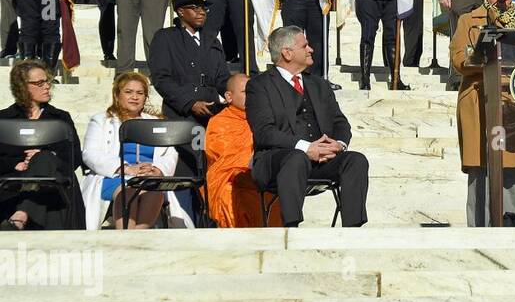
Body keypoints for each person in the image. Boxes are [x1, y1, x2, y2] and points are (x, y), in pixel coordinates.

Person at [246, 24, 369, 228]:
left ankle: (352, 230)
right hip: (276, 161)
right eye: (305, 46)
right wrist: (306, 148)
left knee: (355, 160)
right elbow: (264, 133)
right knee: (296, 158)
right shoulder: (260, 85)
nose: (311, 49)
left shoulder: (319, 84)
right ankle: (292, 229)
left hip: (320, 162)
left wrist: (338, 144)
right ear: (287, 53)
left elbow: (340, 122)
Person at [450, 0, 515, 227]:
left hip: (514, 102)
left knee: (511, 166)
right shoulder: (470, 21)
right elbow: (458, 59)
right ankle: (479, 229)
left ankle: (510, 223)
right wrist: (477, 56)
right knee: (481, 168)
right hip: (481, 100)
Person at [80, 71, 193, 230]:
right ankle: (127, 238)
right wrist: (125, 168)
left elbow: (170, 153)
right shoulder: (101, 120)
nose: (135, 97)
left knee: (154, 191)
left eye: (140, 93)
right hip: (114, 176)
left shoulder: (156, 123)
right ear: (117, 95)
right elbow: (90, 154)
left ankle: (136, 239)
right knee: (129, 190)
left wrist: (157, 169)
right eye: (128, 92)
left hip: (148, 176)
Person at [0, 58, 83, 230]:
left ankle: (21, 215)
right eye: (39, 83)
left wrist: (47, 158)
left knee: (44, 159)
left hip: (55, 182)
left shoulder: (61, 118)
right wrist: (17, 164)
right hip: (15, 184)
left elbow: (74, 158)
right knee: (49, 197)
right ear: (22, 86)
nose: (46, 86)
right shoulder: (4, 119)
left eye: (47, 81)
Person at [205, 72, 280, 229]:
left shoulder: (264, 119)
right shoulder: (220, 122)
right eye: (246, 92)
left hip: (262, 176)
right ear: (229, 96)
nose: (252, 96)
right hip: (231, 179)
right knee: (229, 194)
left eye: (254, 91)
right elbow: (225, 159)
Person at [147, 0, 230, 125]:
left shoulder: (212, 41)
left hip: (212, 112)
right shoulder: (165, 38)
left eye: (204, 8)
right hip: (180, 115)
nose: (202, 12)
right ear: (181, 11)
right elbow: (161, 79)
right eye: (195, 8)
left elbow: (222, 77)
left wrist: (231, 92)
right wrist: (189, 103)